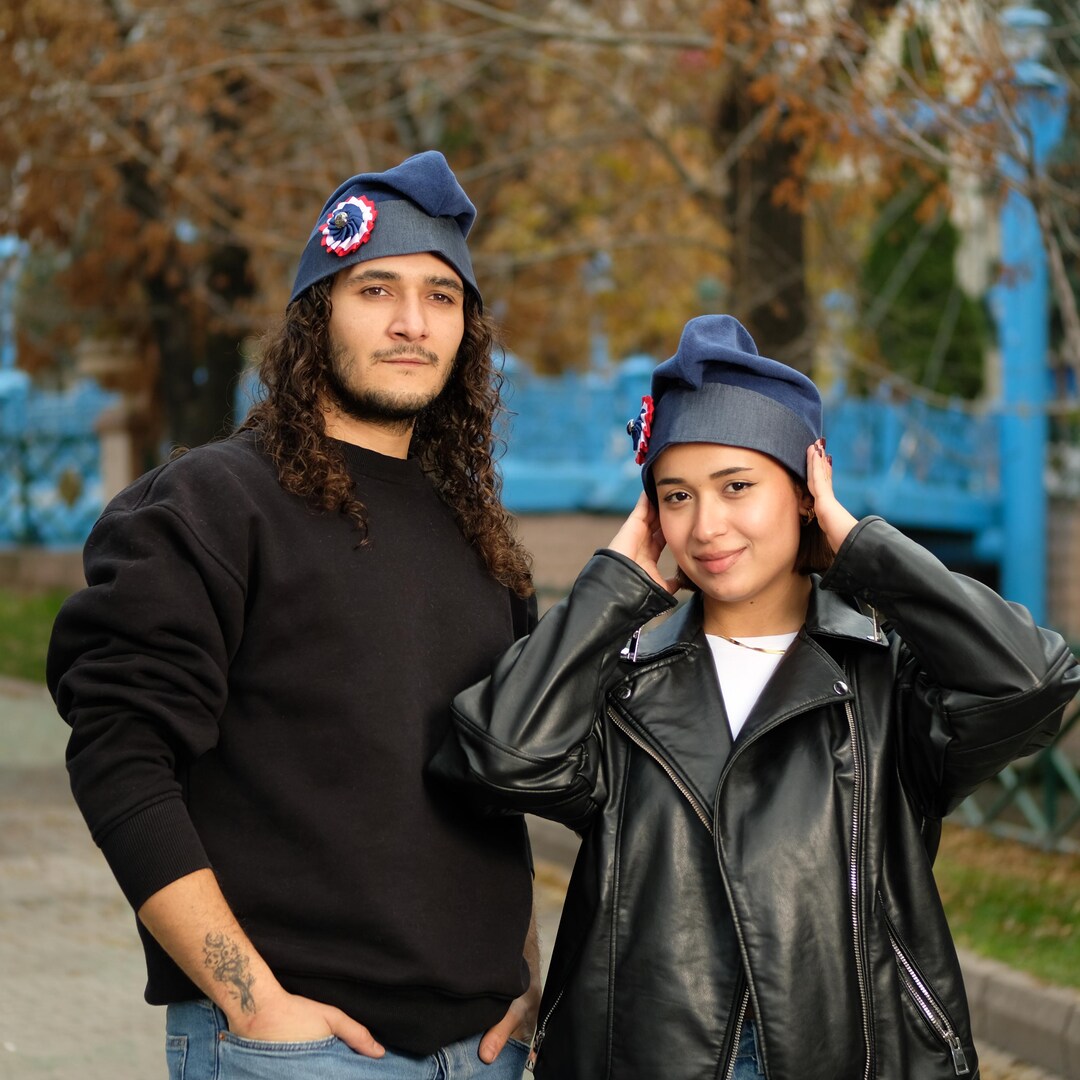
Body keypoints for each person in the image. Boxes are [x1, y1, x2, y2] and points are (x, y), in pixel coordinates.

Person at [429, 314, 1080, 1080]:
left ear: (806, 491)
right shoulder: (622, 683)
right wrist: (612, 588)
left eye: (738, 486)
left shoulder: (885, 678)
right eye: (676, 496)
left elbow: (1034, 682)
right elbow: (499, 756)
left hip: (850, 1051)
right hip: (646, 1054)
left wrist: (863, 549)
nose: (707, 526)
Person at [47, 150, 541, 1079]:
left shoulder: (479, 536)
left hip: (482, 1055)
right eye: (376, 289)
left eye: (442, 296)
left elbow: (503, 784)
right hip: (300, 1052)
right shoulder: (212, 504)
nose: (411, 323)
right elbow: (119, 755)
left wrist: (524, 966)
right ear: (317, 313)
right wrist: (252, 1000)